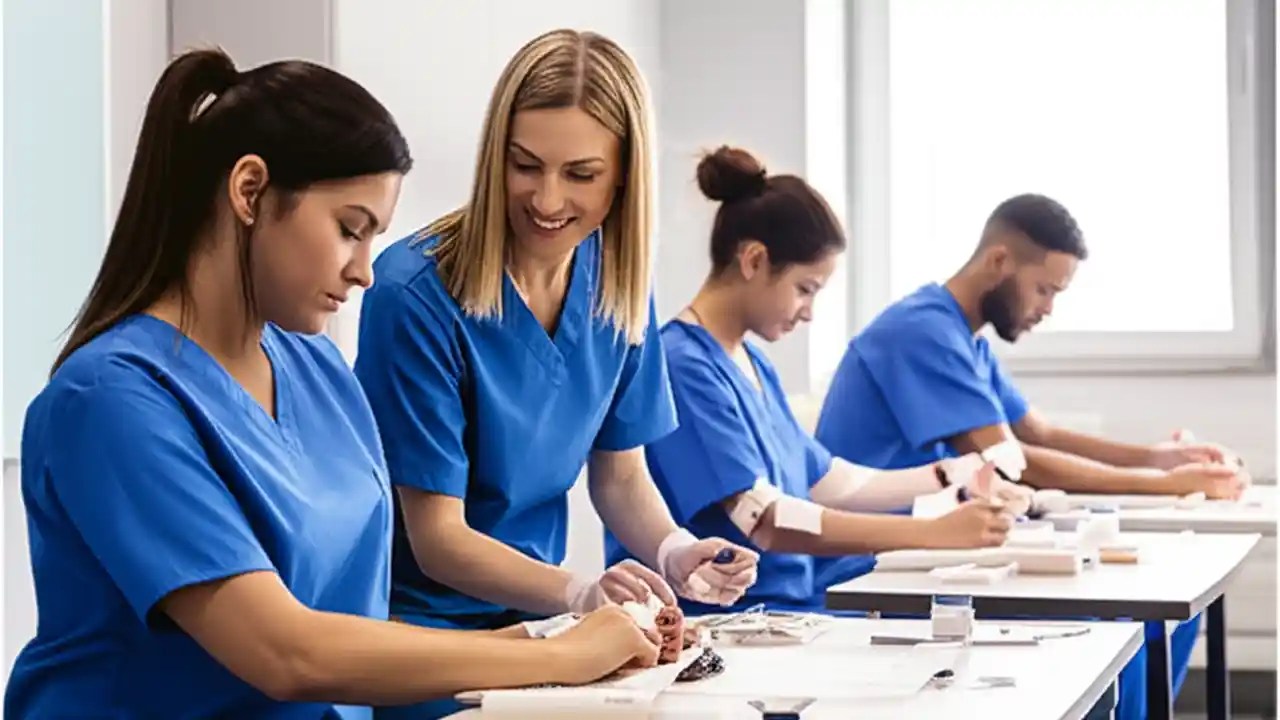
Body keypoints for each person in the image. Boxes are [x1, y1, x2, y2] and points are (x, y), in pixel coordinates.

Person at [5, 49, 663, 720]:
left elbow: (359, 625)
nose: (365, 272)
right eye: (350, 230)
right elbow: (287, 654)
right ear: (249, 192)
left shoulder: (315, 367)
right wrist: (560, 657)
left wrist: (557, 641)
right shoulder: (111, 402)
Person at [353, 30, 759, 719]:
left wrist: (675, 550)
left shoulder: (615, 281)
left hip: (545, 635)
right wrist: (581, 594)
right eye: (525, 166)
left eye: (580, 174)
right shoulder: (414, 293)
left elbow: (621, 476)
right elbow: (439, 539)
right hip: (430, 647)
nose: (546, 200)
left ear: (623, 174)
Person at [813, 192, 1250, 719]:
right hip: (871, 564)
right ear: (999, 261)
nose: (1047, 308)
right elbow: (1015, 461)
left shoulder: (965, 339)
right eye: (1044, 289)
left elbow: (1038, 431)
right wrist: (1169, 485)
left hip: (937, 549)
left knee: (1171, 621)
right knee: (1124, 636)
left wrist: (1161, 459)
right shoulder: (920, 332)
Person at [605, 146, 1028, 615]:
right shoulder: (683, 368)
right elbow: (767, 520)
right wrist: (932, 533)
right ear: (753, 260)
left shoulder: (752, 363)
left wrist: (953, 474)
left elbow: (829, 481)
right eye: (805, 289)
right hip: (730, 618)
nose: (808, 312)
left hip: (788, 608)